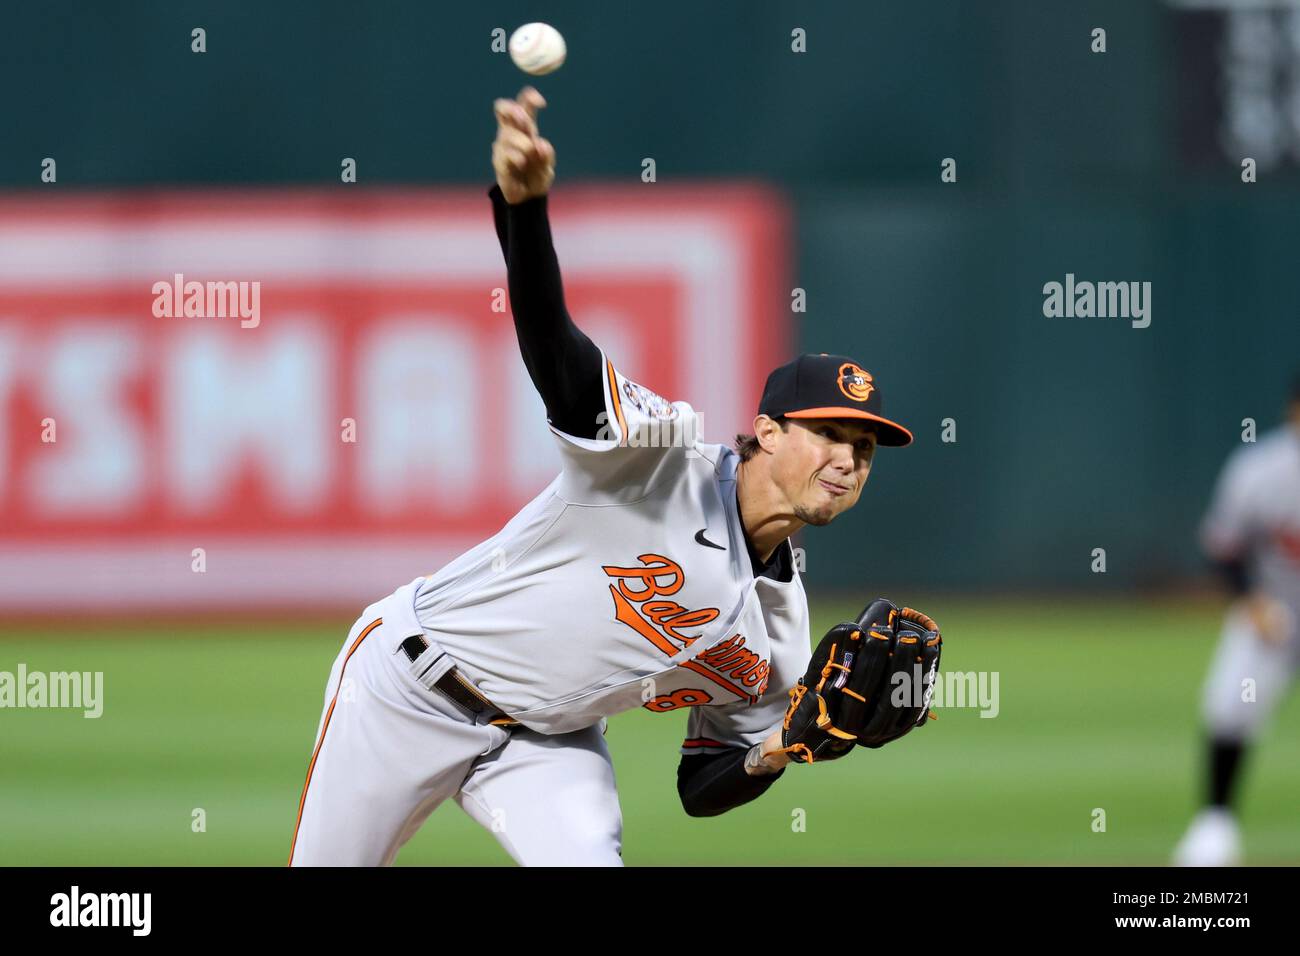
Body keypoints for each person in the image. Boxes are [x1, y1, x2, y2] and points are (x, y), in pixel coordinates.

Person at [288, 86, 930, 866]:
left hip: (545, 742)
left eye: (864, 450)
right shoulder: (658, 459)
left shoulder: (781, 626)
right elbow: (554, 351)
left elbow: (704, 782)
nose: (847, 460)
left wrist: (781, 748)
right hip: (409, 685)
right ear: (766, 430)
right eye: (829, 434)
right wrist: (523, 209)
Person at [1173, 375, 1300, 866]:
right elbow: (1223, 550)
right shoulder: (1259, 468)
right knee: (1229, 708)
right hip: (1274, 613)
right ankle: (1214, 828)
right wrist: (1252, 602)